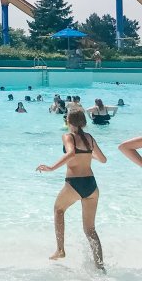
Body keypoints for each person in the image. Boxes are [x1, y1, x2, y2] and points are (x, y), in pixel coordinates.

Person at [36, 110, 107, 269]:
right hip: (91, 185)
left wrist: (52, 168)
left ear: (68, 121)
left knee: (58, 209)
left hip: (75, 183)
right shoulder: (89, 138)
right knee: (90, 229)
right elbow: (103, 159)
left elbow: (71, 153)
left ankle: (60, 250)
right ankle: (100, 266)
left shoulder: (68, 136)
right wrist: (88, 155)